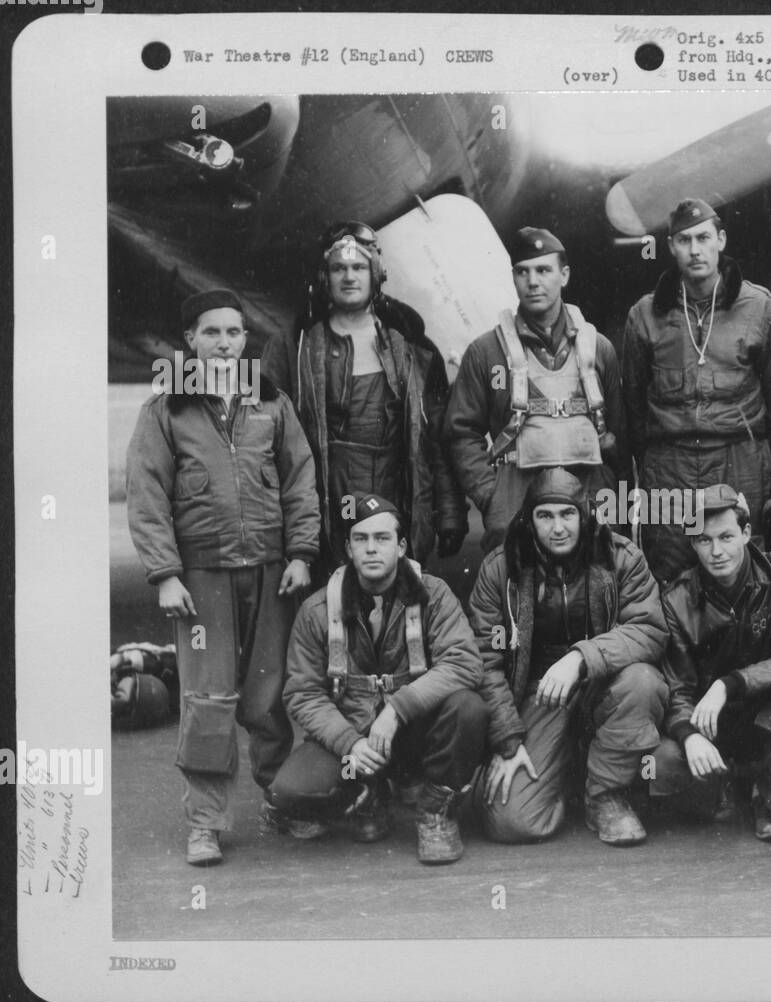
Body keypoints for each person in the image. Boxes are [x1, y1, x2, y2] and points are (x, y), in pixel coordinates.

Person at [126, 288, 321, 866]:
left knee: (269, 696)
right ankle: (205, 823)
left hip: (268, 570)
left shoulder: (272, 402)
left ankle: (282, 799)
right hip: (202, 578)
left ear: (245, 339)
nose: (224, 344)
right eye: (211, 333)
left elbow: (299, 481)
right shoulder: (167, 409)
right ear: (189, 340)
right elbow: (147, 495)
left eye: (234, 333)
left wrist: (302, 553)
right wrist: (164, 573)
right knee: (209, 698)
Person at [270, 494, 488, 864]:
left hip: (413, 736)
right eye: (361, 539)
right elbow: (303, 692)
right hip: (354, 741)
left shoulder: (433, 595)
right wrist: (349, 743)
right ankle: (368, 793)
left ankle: (435, 810)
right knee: (291, 792)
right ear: (348, 548)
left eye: (382, 538)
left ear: (401, 546)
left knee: (468, 709)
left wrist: (397, 709)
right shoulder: (317, 610)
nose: (372, 549)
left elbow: (464, 663)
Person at [467, 467, 668, 846]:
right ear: (530, 520)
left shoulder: (619, 557)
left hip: (603, 685)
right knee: (514, 822)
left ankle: (604, 795)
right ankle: (564, 775)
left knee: (643, 682)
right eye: (545, 516)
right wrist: (507, 740)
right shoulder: (501, 568)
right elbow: (484, 659)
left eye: (567, 514)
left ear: (585, 514)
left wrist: (580, 657)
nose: (557, 528)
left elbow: (649, 630)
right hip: (538, 698)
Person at [260, 220, 467, 571]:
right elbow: (264, 435)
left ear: (376, 275)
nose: (349, 277)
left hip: (395, 490)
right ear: (325, 277)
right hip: (324, 495)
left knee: (396, 601)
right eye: (338, 268)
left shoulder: (411, 348)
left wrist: (449, 510)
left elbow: (435, 438)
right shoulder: (294, 347)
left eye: (358, 267)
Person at [623, 198, 771, 582]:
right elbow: (632, 407)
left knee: (744, 572)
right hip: (671, 466)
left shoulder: (759, 307)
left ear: (721, 240)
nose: (695, 250)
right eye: (684, 240)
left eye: (703, 238)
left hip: (740, 459)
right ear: (670, 247)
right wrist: (650, 472)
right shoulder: (645, 315)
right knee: (671, 569)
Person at [649, 485, 771, 840]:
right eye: (704, 540)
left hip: (764, 717)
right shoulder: (677, 598)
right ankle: (720, 788)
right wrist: (689, 735)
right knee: (662, 766)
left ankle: (767, 802)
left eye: (726, 536)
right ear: (693, 545)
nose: (716, 551)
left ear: (745, 534)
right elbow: (677, 685)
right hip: (710, 724)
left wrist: (728, 684)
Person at [444, 227, 624, 552]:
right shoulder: (486, 352)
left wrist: (612, 493)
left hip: (589, 488)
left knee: (597, 588)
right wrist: (491, 494)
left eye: (543, 270)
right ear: (513, 277)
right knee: (515, 592)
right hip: (515, 490)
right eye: (522, 272)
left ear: (564, 275)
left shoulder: (599, 349)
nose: (533, 281)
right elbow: (461, 433)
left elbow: (619, 433)